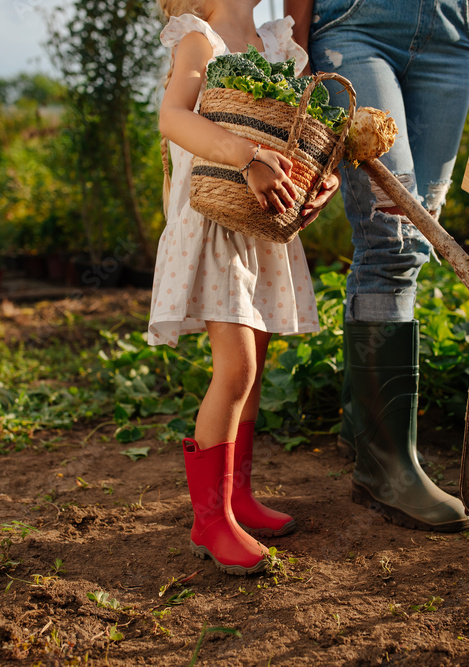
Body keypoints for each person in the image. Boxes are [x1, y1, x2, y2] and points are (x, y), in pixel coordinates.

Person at [284, 0, 469, 532]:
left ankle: (363, 425)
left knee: (419, 233)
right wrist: (295, 49)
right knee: (391, 237)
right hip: (354, 27)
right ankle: (385, 468)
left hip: (450, 40)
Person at [151, 0, 340, 575]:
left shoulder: (275, 45)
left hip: (260, 220)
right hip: (213, 219)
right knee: (235, 369)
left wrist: (319, 173)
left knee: (254, 358)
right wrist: (248, 155)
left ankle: (235, 498)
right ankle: (208, 522)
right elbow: (174, 118)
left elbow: (304, 127)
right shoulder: (200, 39)